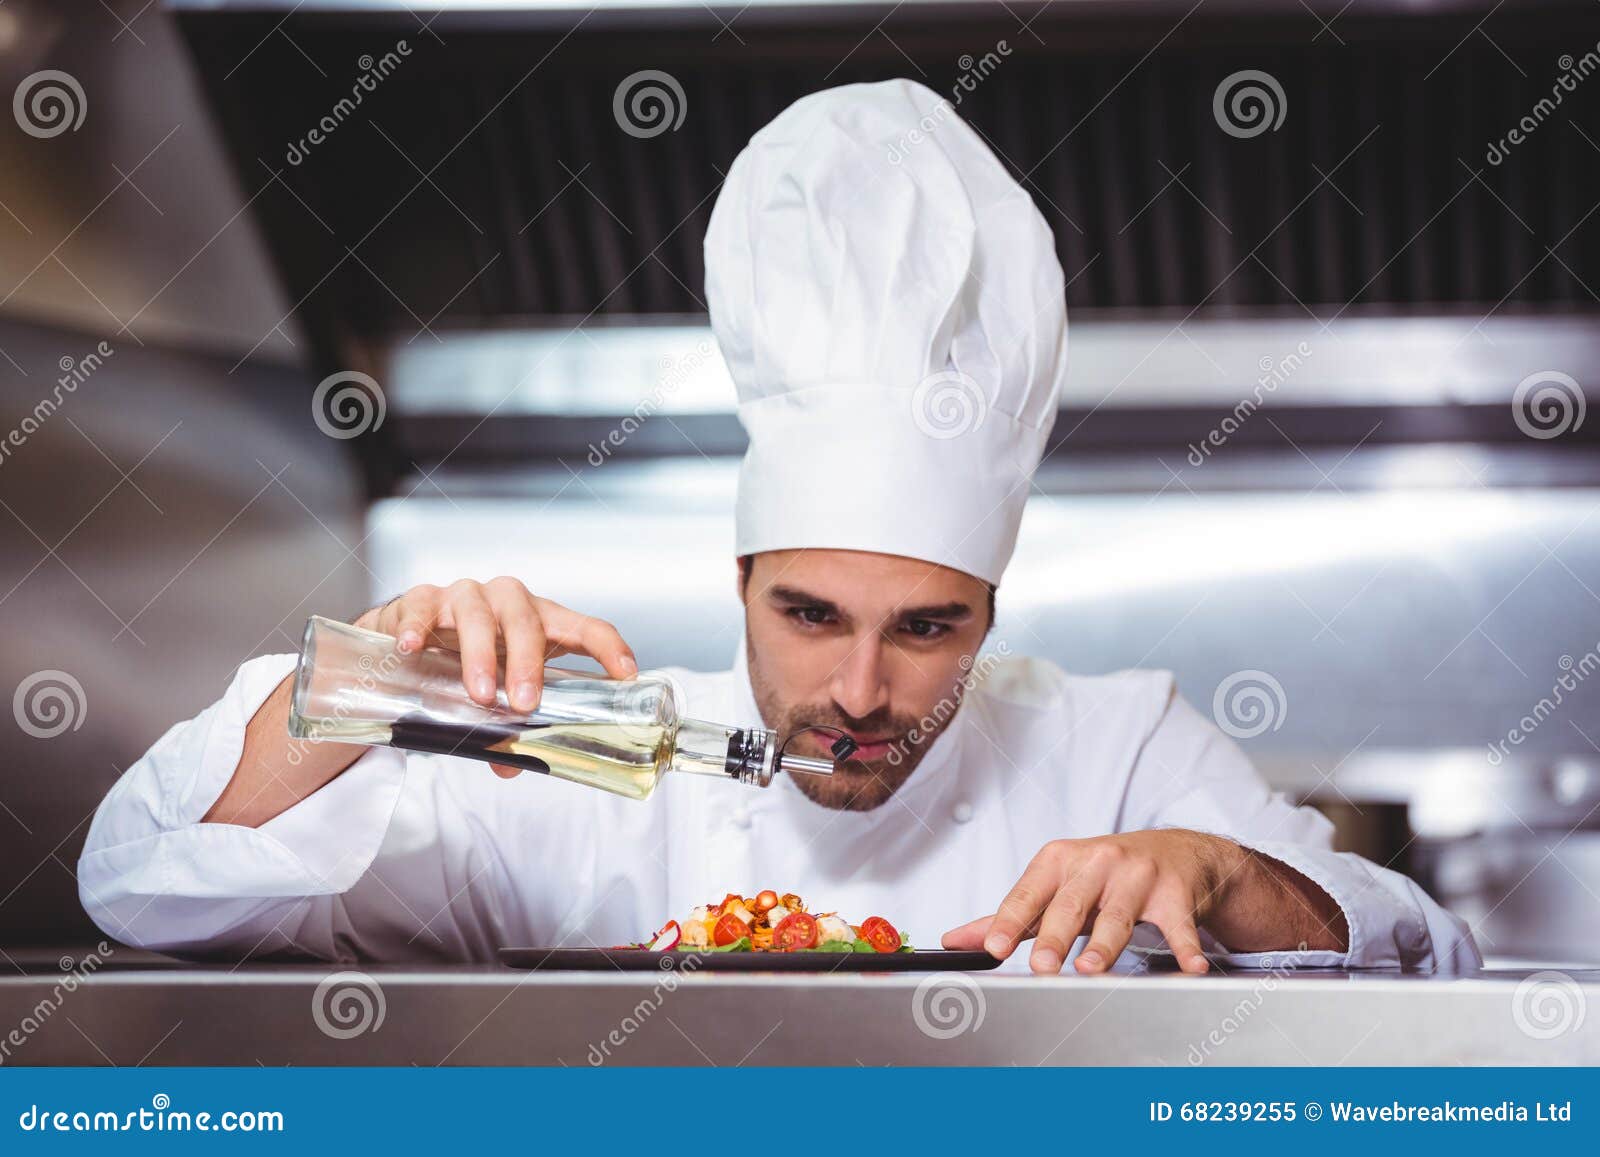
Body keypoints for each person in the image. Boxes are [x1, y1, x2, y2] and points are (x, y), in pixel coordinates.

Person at [78, 79, 1479, 975]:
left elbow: (1422, 960)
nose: (860, 694)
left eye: (926, 626)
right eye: (809, 614)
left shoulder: (1115, 749)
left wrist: (1218, 873)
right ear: (739, 576)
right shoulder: (585, 763)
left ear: (991, 609)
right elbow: (147, 890)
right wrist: (368, 690)